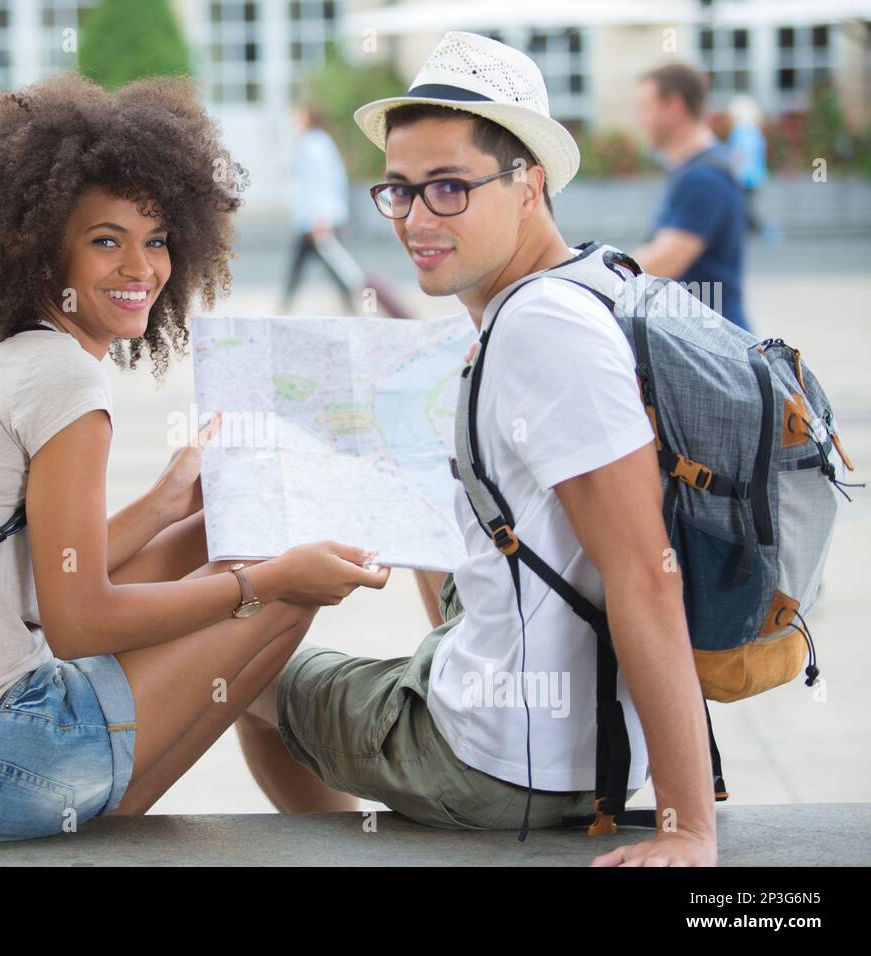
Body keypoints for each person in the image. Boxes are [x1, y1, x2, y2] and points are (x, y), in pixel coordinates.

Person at [0, 72, 390, 842]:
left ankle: (127, 780)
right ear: (42, 252)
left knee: (228, 537)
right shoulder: (63, 377)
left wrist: (172, 502)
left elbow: (39, 577)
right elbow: (78, 621)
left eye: (158, 239)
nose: (142, 268)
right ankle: (144, 810)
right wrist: (267, 581)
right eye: (106, 241)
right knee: (279, 596)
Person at [236, 31, 719, 867]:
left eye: (450, 188)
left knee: (244, 671)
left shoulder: (539, 327)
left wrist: (687, 827)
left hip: (504, 762)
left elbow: (645, 569)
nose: (417, 219)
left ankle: (365, 851)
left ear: (529, 184)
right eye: (400, 190)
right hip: (577, 742)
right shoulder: (593, 281)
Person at [632, 63, 750, 331]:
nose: (640, 120)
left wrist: (596, 276)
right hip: (709, 336)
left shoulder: (704, 177)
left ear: (673, 106)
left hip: (716, 342)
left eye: (645, 108)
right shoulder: (696, 169)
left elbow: (664, 261)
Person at [279, 101, 357, 315]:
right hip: (311, 218)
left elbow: (323, 182)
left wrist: (321, 218)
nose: (294, 119)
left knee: (328, 262)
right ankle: (287, 302)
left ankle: (351, 299)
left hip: (318, 218)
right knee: (309, 262)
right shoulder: (309, 142)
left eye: (299, 115)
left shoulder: (316, 145)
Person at [726, 94, 772, 239]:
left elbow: (738, 155)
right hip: (756, 175)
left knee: (744, 208)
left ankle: (764, 230)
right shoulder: (755, 131)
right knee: (747, 206)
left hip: (744, 176)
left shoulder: (740, 131)